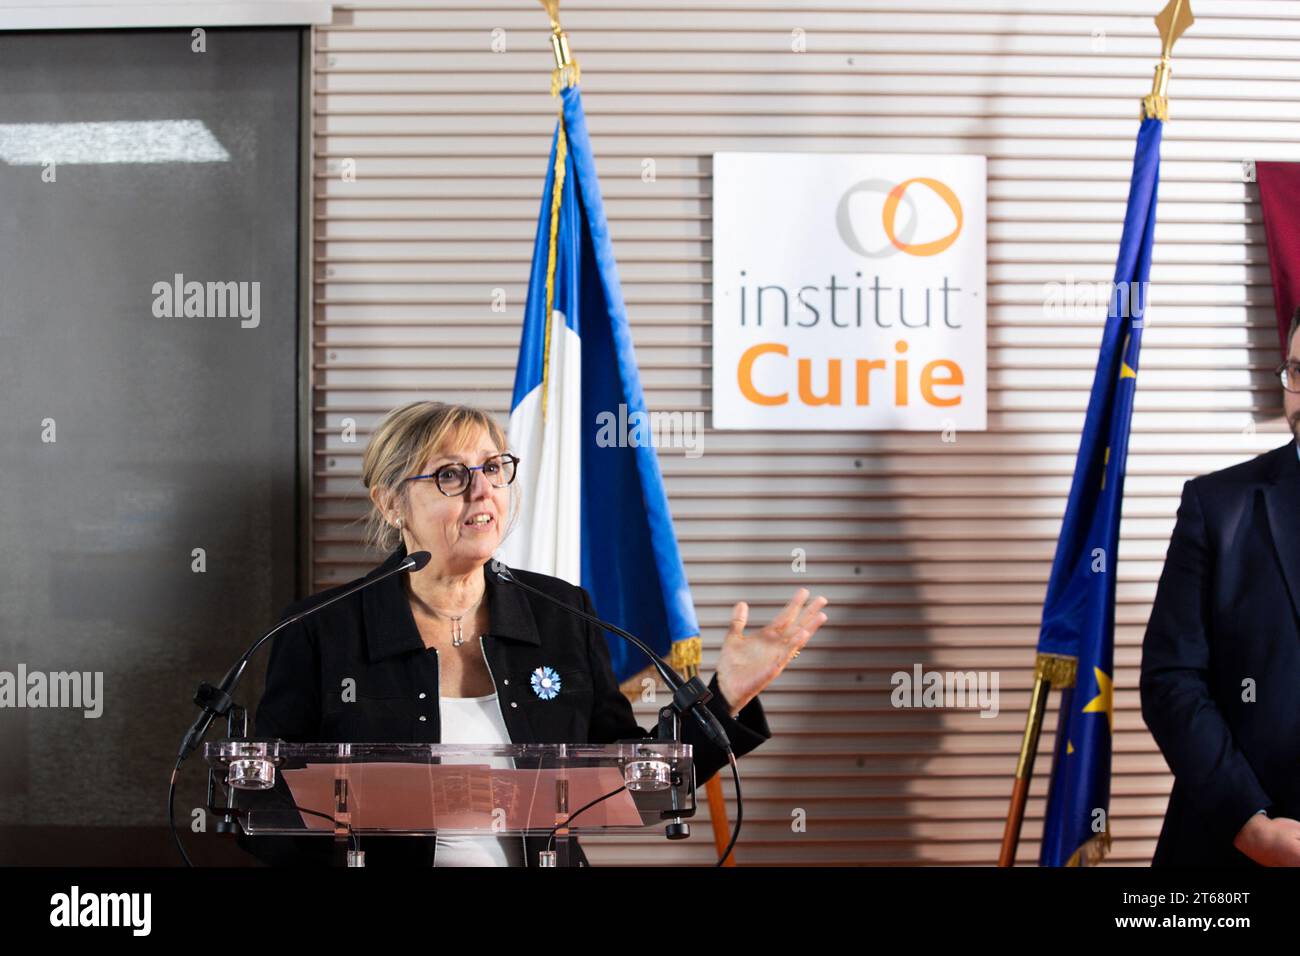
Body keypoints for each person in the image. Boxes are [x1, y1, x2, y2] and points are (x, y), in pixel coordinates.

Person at [239, 401, 828, 866]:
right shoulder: (319, 628)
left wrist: (726, 697)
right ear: (392, 504)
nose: (483, 490)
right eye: (451, 475)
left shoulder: (560, 614)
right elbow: (260, 811)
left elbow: (629, 782)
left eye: (493, 468)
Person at [1140, 308, 1300, 866]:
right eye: (1298, 372)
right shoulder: (1218, 506)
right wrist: (1250, 826)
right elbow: (1171, 679)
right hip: (1232, 851)